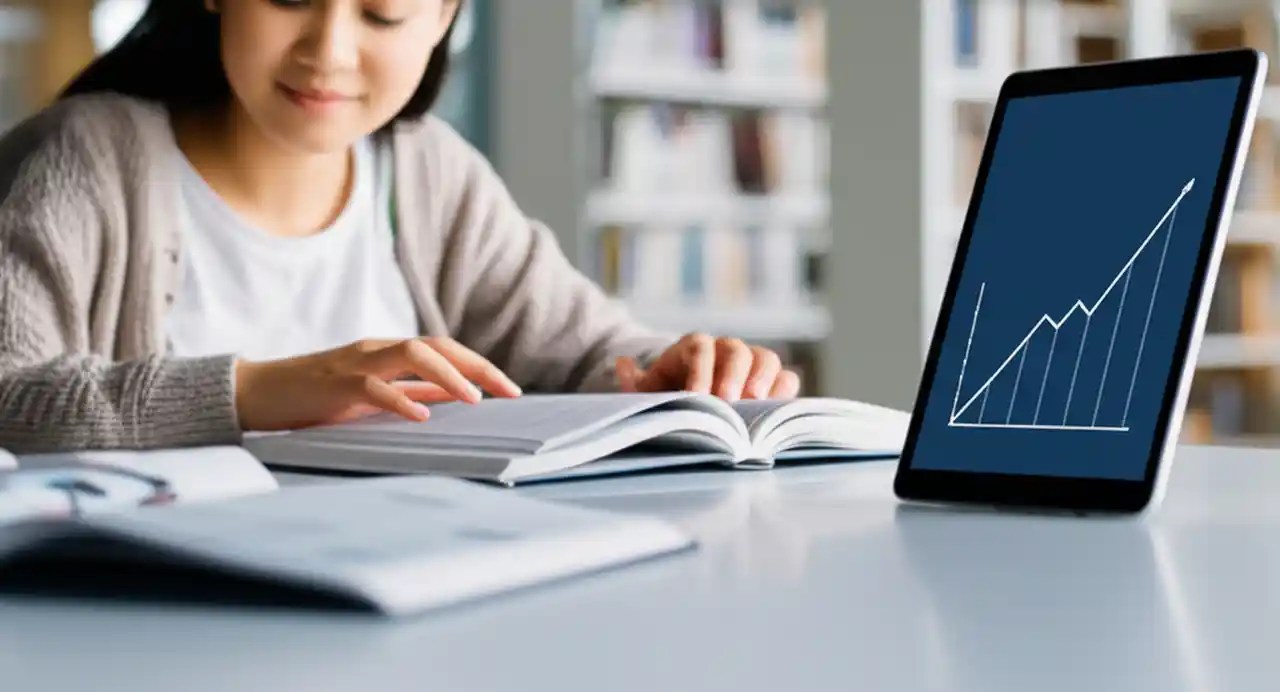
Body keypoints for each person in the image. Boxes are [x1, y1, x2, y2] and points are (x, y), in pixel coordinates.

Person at [0, 0, 800, 454]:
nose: (329, 52)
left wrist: (670, 368)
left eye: (383, 13)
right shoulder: (87, 159)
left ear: (445, 13)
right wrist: (259, 391)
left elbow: (589, 352)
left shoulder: (427, 174)